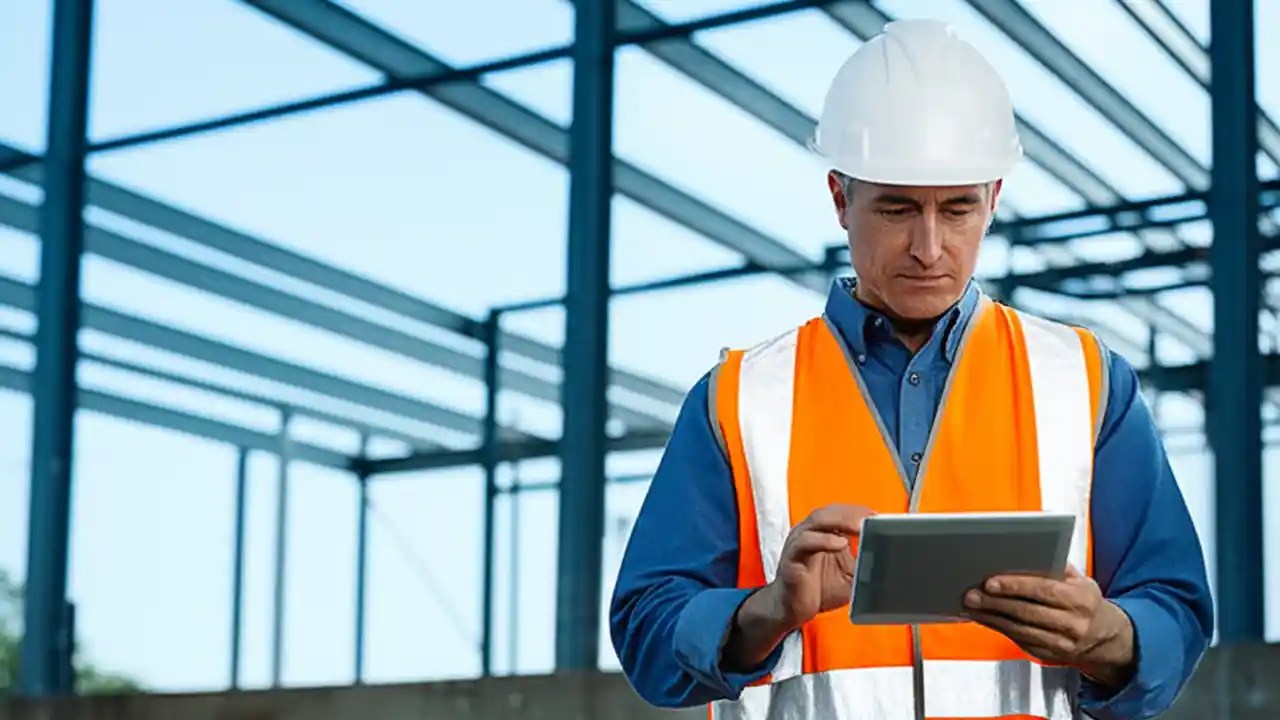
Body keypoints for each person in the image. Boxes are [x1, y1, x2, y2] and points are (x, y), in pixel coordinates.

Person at [608, 18, 1213, 720]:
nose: (930, 247)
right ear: (840, 197)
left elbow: (1175, 607)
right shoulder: (738, 402)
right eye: (897, 208)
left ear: (993, 199)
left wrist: (1112, 638)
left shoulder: (1087, 383)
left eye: (957, 210)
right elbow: (648, 629)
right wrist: (764, 612)